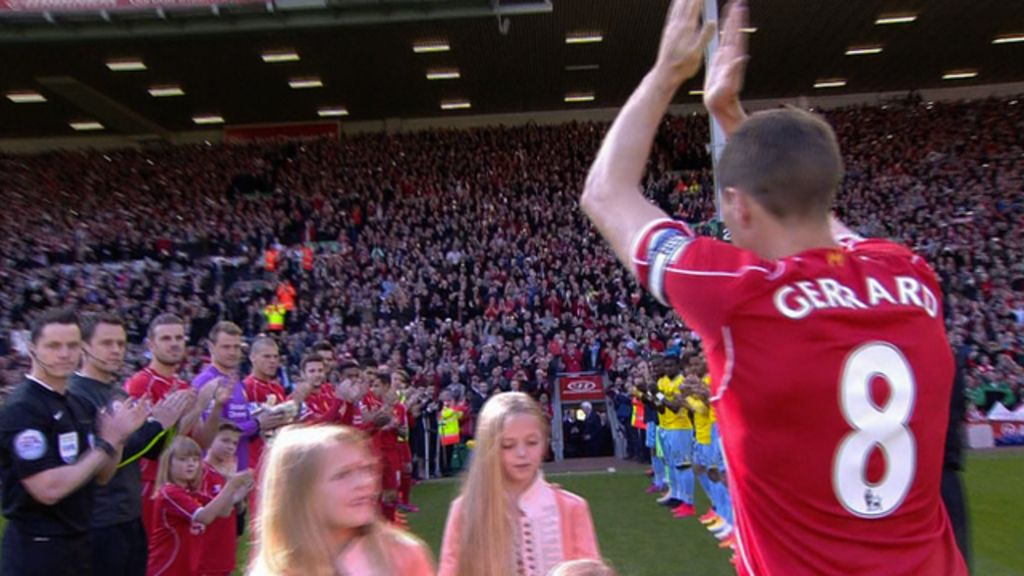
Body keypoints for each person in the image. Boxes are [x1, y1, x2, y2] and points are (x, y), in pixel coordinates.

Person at [580, 0, 969, 573]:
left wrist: (666, 72)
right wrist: (735, 119)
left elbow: (606, 193)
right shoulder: (910, 275)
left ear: (735, 204)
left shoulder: (738, 295)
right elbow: (826, 222)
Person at [0, 308, 148, 576]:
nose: (64, 354)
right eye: (54, 346)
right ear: (32, 349)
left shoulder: (76, 404)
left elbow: (102, 475)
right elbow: (48, 490)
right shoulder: (24, 407)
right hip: (38, 547)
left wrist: (118, 438)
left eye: (72, 345)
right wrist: (105, 444)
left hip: (79, 542)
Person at [69, 313, 194, 576]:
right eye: (106, 343)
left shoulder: (116, 392)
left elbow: (150, 451)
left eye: (121, 344)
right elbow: (108, 455)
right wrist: (156, 424)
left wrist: (171, 422)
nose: (116, 350)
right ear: (84, 347)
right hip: (99, 520)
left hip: (129, 514)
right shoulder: (77, 395)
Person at [439, 392, 601, 576]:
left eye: (532, 442)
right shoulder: (466, 509)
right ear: (489, 448)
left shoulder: (571, 507)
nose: (522, 453)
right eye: (508, 445)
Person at [248, 425, 435, 576]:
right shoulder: (276, 570)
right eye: (343, 474)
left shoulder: (402, 555)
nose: (366, 482)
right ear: (299, 492)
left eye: (367, 469)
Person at [125, 313, 222, 536]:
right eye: (166, 339)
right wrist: (198, 406)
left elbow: (199, 442)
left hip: (178, 485)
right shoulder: (141, 383)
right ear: (151, 344)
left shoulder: (182, 384)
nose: (175, 344)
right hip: (149, 484)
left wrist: (215, 407)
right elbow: (152, 445)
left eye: (179, 338)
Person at [146, 436, 253, 576]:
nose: (191, 464)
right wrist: (231, 485)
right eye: (183, 459)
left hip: (187, 569)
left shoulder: (191, 493)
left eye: (195, 460)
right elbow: (205, 517)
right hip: (166, 569)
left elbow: (224, 511)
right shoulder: (169, 493)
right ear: (169, 463)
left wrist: (237, 488)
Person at [192, 322, 289, 472]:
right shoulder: (206, 382)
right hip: (215, 475)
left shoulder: (237, 383)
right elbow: (211, 433)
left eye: (236, 347)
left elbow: (238, 423)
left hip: (239, 470)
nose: (232, 352)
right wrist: (257, 424)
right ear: (211, 347)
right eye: (226, 347)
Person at [197, 423, 246, 576]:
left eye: (234, 443)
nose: (230, 447)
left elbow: (238, 510)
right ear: (210, 440)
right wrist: (233, 491)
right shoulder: (201, 472)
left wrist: (240, 500)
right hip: (205, 555)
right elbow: (209, 513)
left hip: (224, 553)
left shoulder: (230, 472)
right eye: (225, 441)